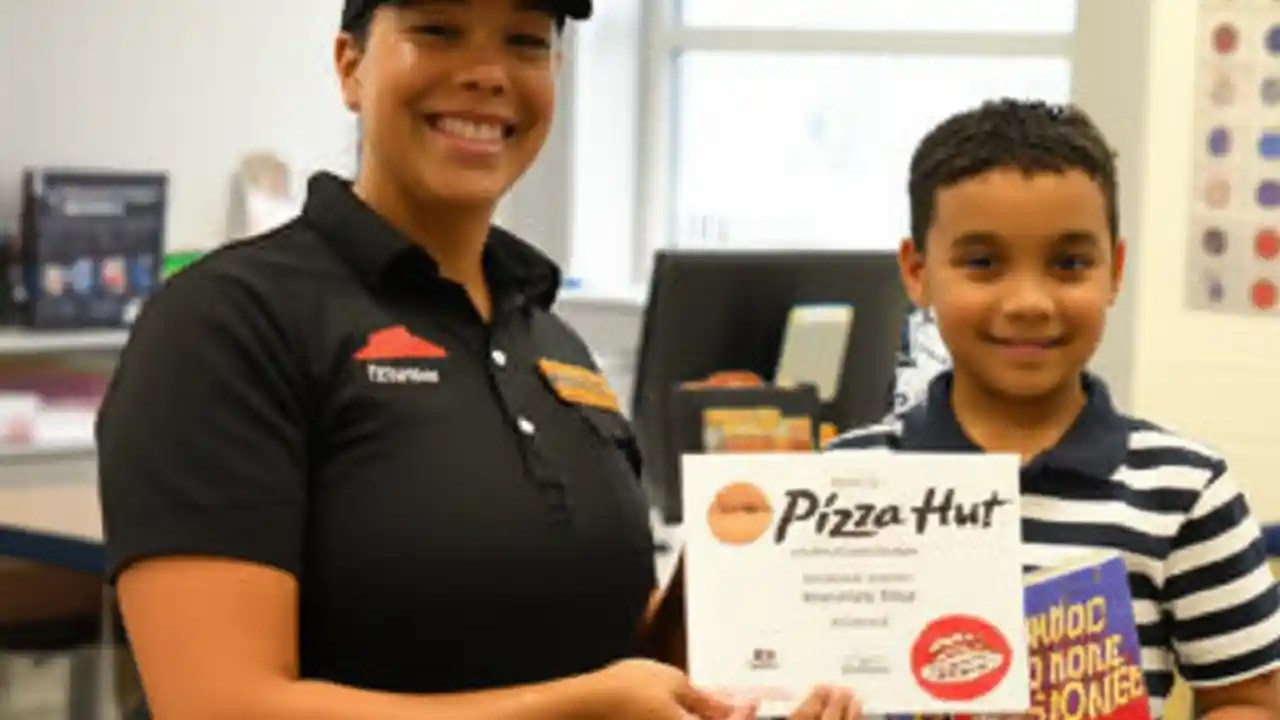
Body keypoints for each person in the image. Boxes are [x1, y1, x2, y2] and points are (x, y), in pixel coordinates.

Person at [96, 0, 861, 718]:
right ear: (350, 66)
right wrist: (575, 709)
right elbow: (217, 705)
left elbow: (629, 661)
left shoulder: (553, 345)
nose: (488, 72)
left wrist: (744, 545)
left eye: (527, 41)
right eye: (438, 29)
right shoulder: (228, 321)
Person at [828, 98, 1280, 719]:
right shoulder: (840, 482)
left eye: (1069, 264)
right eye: (982, 263)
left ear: (1114, 270)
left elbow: (1250, 699)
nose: (1029, 301)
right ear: (918, 271)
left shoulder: (1186, 490)